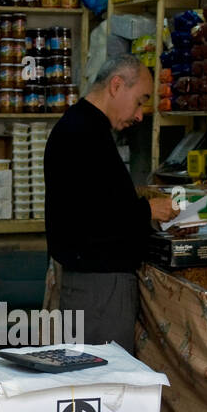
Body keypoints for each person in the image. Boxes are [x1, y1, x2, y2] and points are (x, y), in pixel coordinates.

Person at [44, 54, 177, 353]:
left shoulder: (82, 126)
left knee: (91, 380)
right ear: (117, 86)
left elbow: (96, 200)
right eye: (140, 101)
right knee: (103, 380)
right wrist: (148, 210)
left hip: (92, 283)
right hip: (99, 287)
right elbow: (92, 218)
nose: (140, 114)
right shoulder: (84, 134)